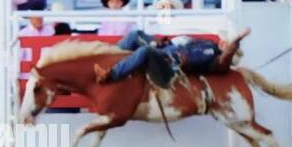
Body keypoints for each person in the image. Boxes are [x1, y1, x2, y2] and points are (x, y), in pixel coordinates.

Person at [94, 27, 251, 87]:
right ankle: (110, 59)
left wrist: (232, 47)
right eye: (225, 41)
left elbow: (191, 63)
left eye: (227, 44)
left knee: (145, 51)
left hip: (169, 66)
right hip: (166, 50)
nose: (223, 43)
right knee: (136, 34)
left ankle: (111, 74)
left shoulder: (215, 58)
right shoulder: (207, 44)